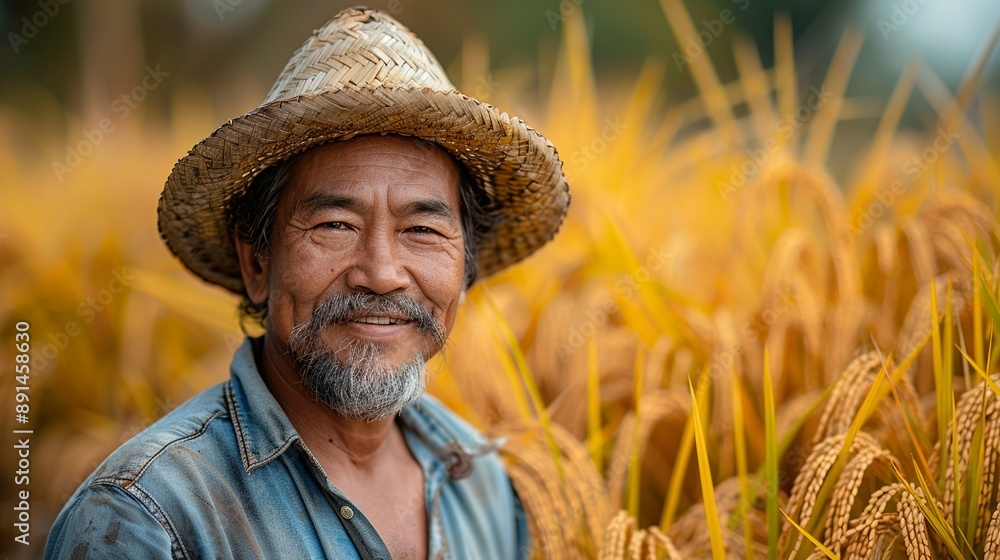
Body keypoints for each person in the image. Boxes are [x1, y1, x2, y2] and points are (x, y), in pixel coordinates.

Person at [44, 7, 569, 559]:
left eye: (422, 229)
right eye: (335, 225)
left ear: (465, 272)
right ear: (257, 265)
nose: (383, 274)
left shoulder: (481, 481)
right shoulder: (147, 517)